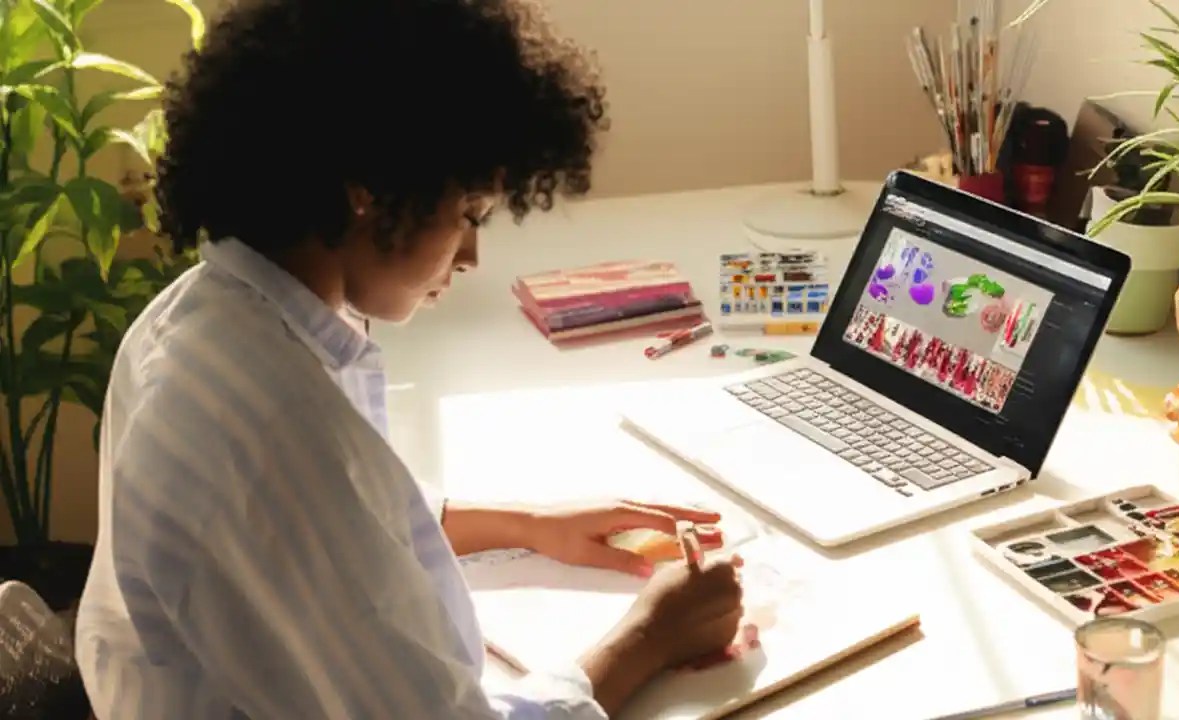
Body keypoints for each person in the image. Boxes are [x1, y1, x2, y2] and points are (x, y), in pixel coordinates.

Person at [74, 1, 746, 717]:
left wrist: (530, 523)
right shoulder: (271, 430)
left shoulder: (201, 316)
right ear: (371, 191)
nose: (472, 254)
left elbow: (350, 519)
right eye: (469, 214)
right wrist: (650, 634)